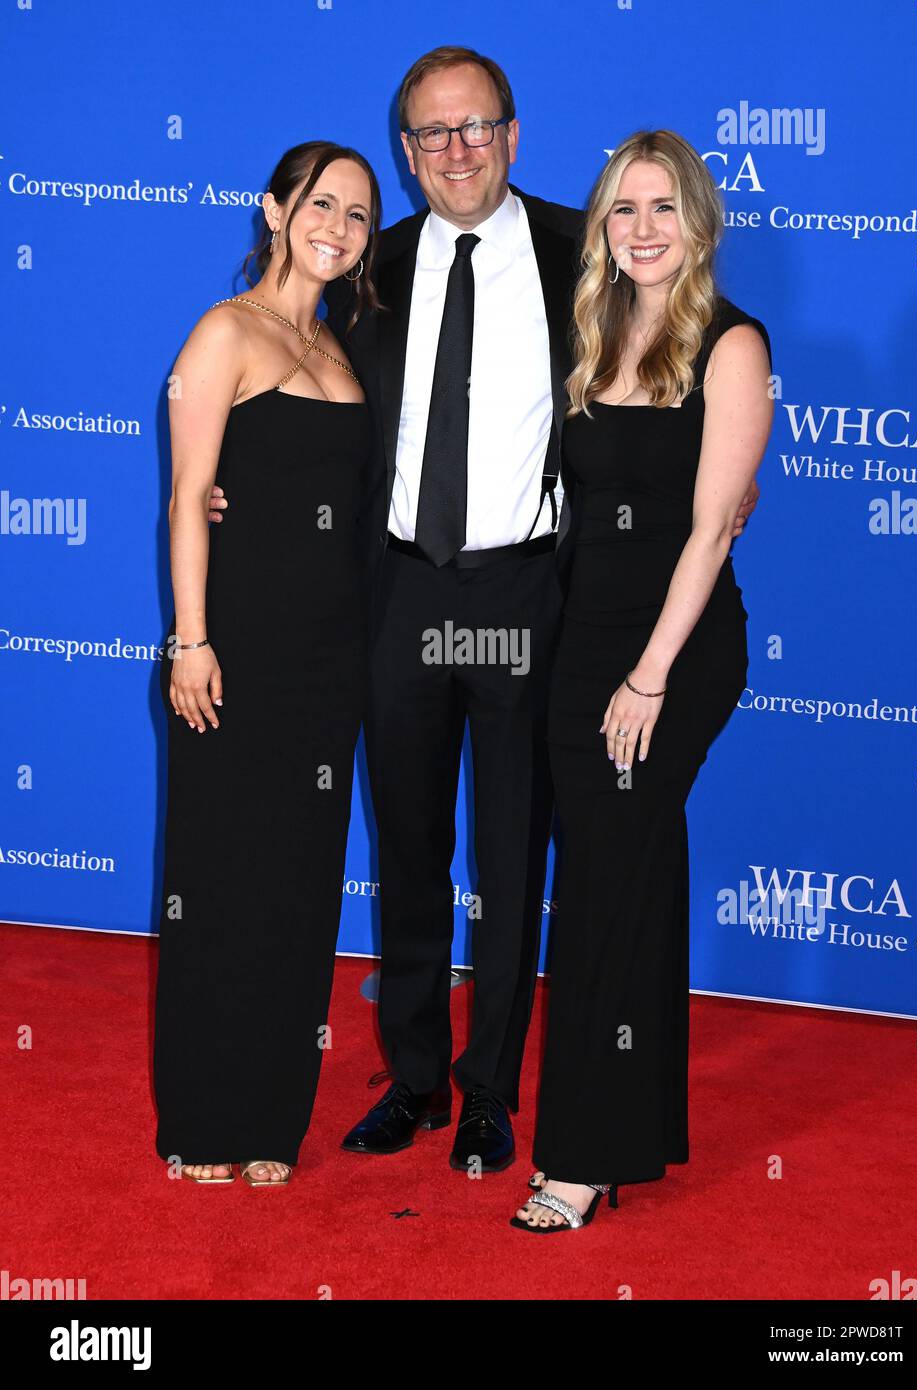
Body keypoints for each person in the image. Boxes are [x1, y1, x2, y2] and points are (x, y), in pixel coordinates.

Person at [208, 48, 759, 1178]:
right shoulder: (376, 264)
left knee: (511, 856)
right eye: (430, 135)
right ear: (406, 153)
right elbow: (296, 391)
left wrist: (725, 489)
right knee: (408, 846)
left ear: (512, 134)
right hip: (401, 586)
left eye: (476, 128)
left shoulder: (583, 254)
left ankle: (489, 1093)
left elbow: (673, 398)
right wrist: (232, 481)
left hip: (527, 593)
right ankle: (411, 1079)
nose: (455, 151)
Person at [510, 131, 773, 1232]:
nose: (643, 229)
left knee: (602, 890)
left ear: (697, 220)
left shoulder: (728, 340)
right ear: (602, 228)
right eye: (623, 210)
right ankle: (640, 1127)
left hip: (673, 651)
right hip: (582, 638)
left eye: (663, 207)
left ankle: (577, 1156)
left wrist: (650, 677)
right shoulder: (592, 332)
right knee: (633, 871)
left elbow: (713, 522)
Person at [153, 142, 380, 1187]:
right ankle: (204, 1115)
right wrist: (190, 639)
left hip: (329, 663)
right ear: (275, 210)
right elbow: (186, 494)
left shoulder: (344, 351)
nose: (337, 224)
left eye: (358, 214)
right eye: (320, 203)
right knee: (220, 880)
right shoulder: (223, 331)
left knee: (297, 890)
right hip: (233, 651)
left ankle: (270, 1119)